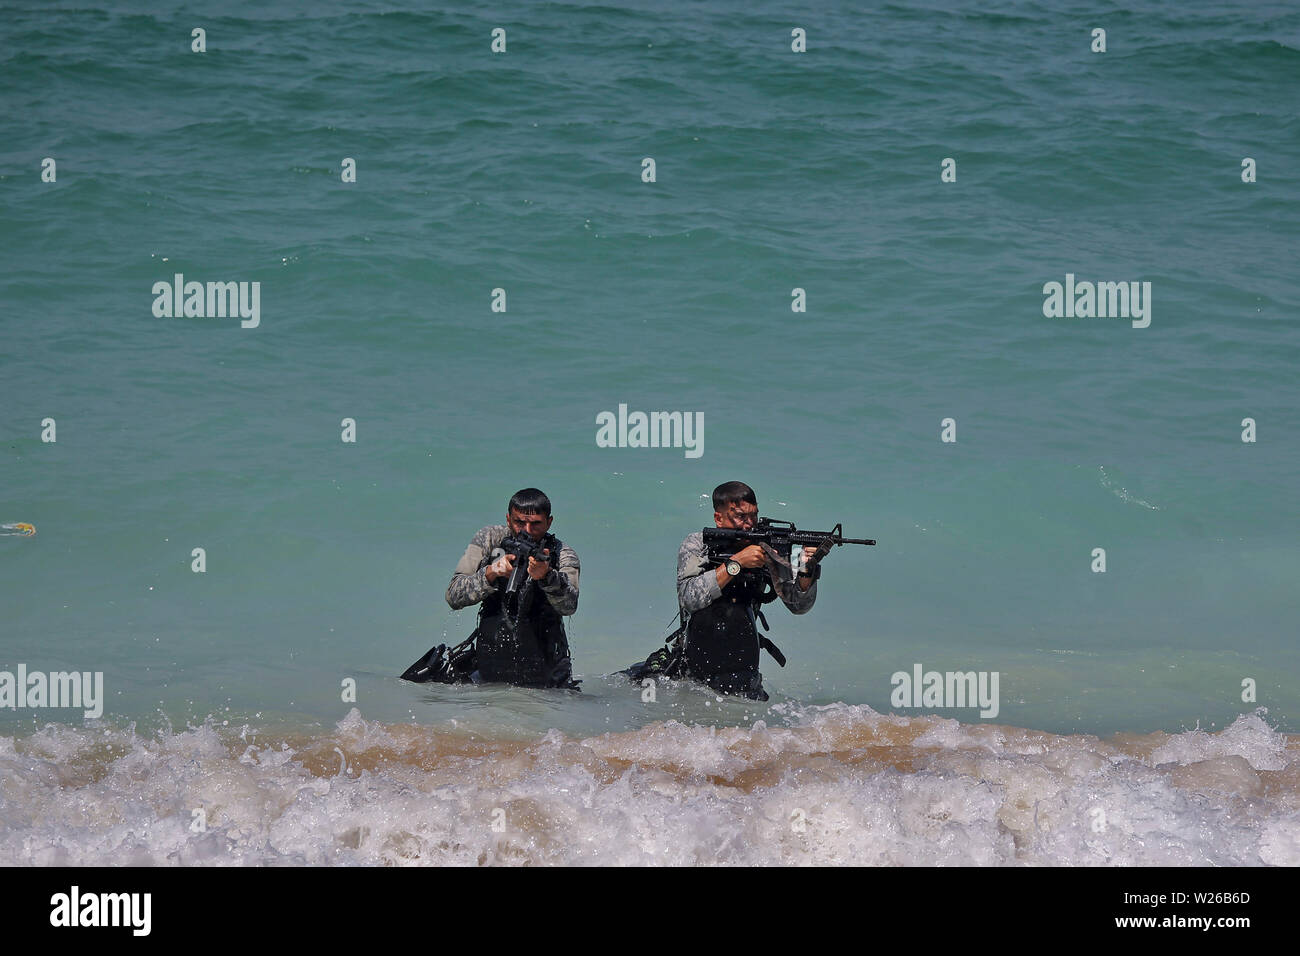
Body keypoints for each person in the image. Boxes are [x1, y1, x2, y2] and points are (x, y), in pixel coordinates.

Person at [626, 480, 822, 700]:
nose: (749, 525)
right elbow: (688, 598)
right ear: (718, 518)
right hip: (693, 662)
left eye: (753, 516)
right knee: (628, 683)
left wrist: (806, 571)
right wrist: (737, 563)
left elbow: (798, 605)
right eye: (740, 517)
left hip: (743, 666)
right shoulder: (698, 544)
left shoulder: (769, 547)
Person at [423, 488, 581, 688]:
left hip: (546, 672)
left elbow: (569, 606)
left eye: (536, 524)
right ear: (508, 519)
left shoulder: (562, 554)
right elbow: (453, 596)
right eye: (519, 522)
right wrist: (490, 573)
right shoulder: (490, 540)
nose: (527, 531)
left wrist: (547, 576)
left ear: (549, 522)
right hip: (490, 664)